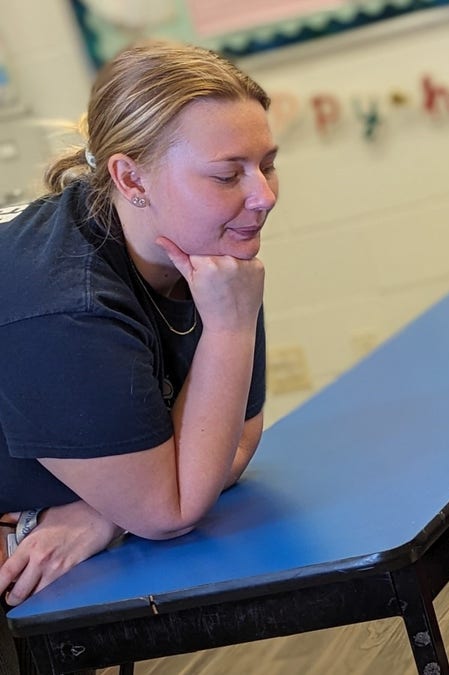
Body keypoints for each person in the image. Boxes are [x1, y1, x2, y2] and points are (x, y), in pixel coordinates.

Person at [0, 40, 276, 669]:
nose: (262, 195)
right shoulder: (65, 300)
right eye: (228, 173)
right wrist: (230, 332)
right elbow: (170, 508)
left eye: (267, 164)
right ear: (130, 177)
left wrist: (100, 514)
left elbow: (235, 441)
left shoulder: (213, 262)